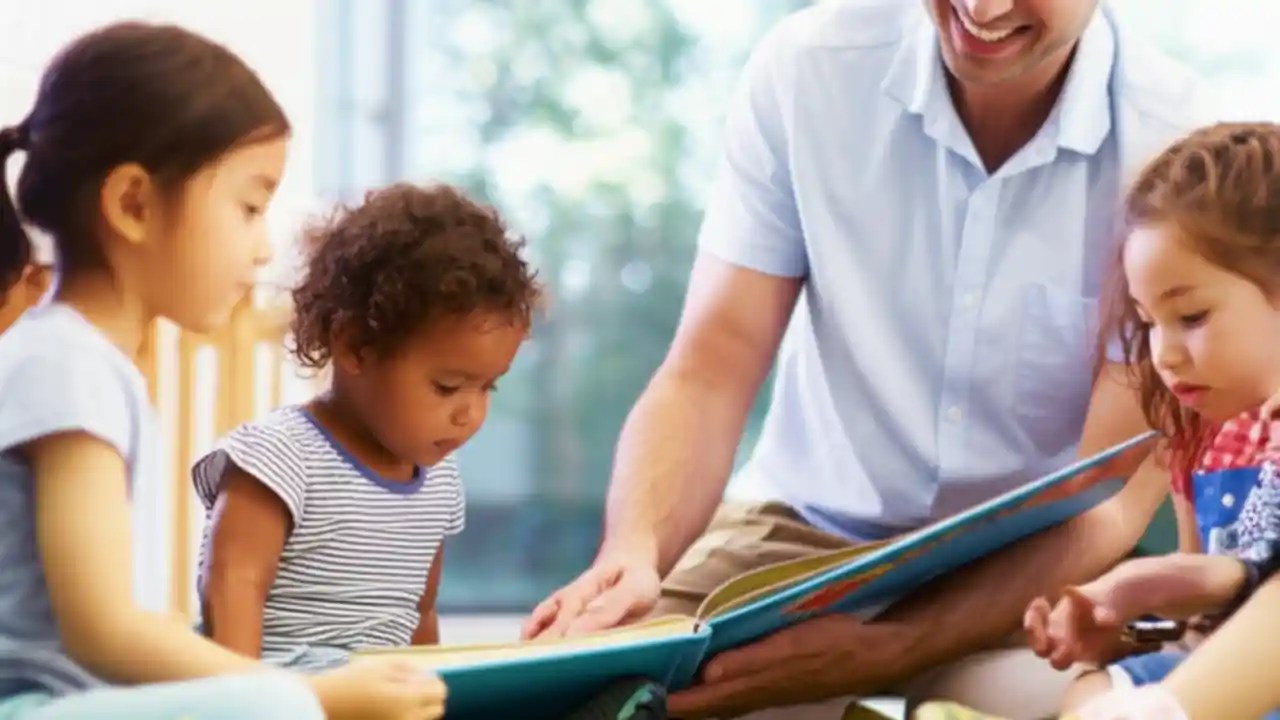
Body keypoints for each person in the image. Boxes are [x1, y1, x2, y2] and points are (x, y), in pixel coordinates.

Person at [523, 0, 1209, 717]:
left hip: (1035, 567)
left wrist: (899, 645)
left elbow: (1108, 500)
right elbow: (710, 368)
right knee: (586, 695)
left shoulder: (1171, 143)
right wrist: (634, 550)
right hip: (805, 534)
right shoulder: (809, 71)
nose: (983, 8)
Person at [0, 22, 445, 720]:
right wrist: (308, 694)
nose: (265, 248)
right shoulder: (66, 366)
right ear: (134, 205)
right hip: (36, 708)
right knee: (277, 708)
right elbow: (102, 628)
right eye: (249, 206)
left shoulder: (86, 364)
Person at [913, 122, 1280, 720]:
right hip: (1220, 692)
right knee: (1095, 681)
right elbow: (1202, 633)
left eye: (1191, 315)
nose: (1163, 353)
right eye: (1148, 321)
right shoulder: (1204, 443)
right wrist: (1126, 628)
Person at [195, 183, 539, 670]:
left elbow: (420, 614)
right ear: (356, 346)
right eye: (446, 387)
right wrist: (249, 704)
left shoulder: (438, 480)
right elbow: (230, 583)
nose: (471, 415)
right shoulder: (280, 457)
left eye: (488, 388)